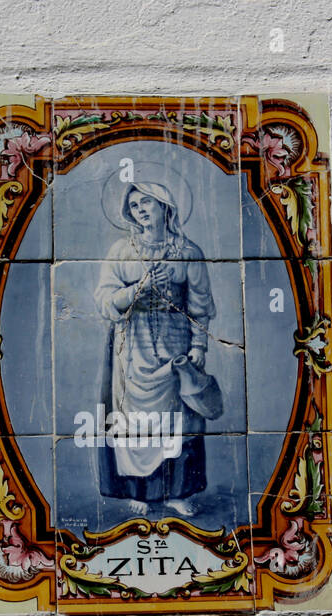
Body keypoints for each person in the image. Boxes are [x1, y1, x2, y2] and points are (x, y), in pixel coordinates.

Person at [93, 181, 217, 517]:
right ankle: (143, 493)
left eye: (147, 202)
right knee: (137, 422)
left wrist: (199, 346)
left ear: (165, 206)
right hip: (133, 349)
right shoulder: (121, 250)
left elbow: (200, 305)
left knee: (179, 421)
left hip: (175, 347)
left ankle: (177, 492)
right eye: (134, 206)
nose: (141, 210)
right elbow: (105, 302)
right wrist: (139, 288)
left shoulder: (188, 252)